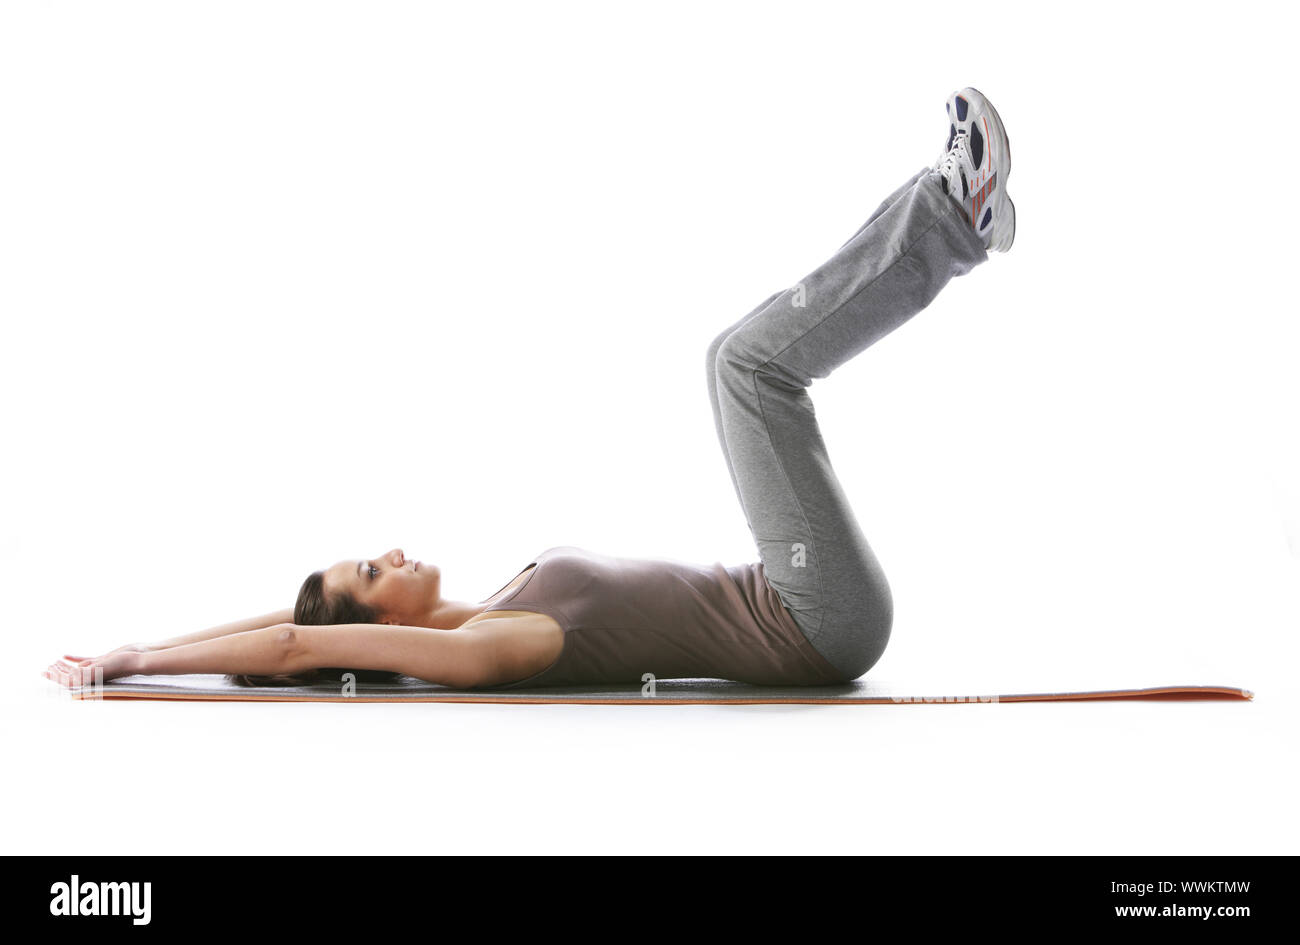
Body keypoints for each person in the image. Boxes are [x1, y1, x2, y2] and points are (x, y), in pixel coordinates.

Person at [47, 87, 1015, 692]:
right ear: (384, 631)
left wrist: (145, 637)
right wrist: (134, 665)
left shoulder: (495, 605)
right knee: (743, 369)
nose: (387, 551)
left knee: (735, 356)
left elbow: (293, 627)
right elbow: (299, 647)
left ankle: (953, 202)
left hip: (793, 594)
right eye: (372, 574)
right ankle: (952, 214)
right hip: (820, 620)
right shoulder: (490, 649)